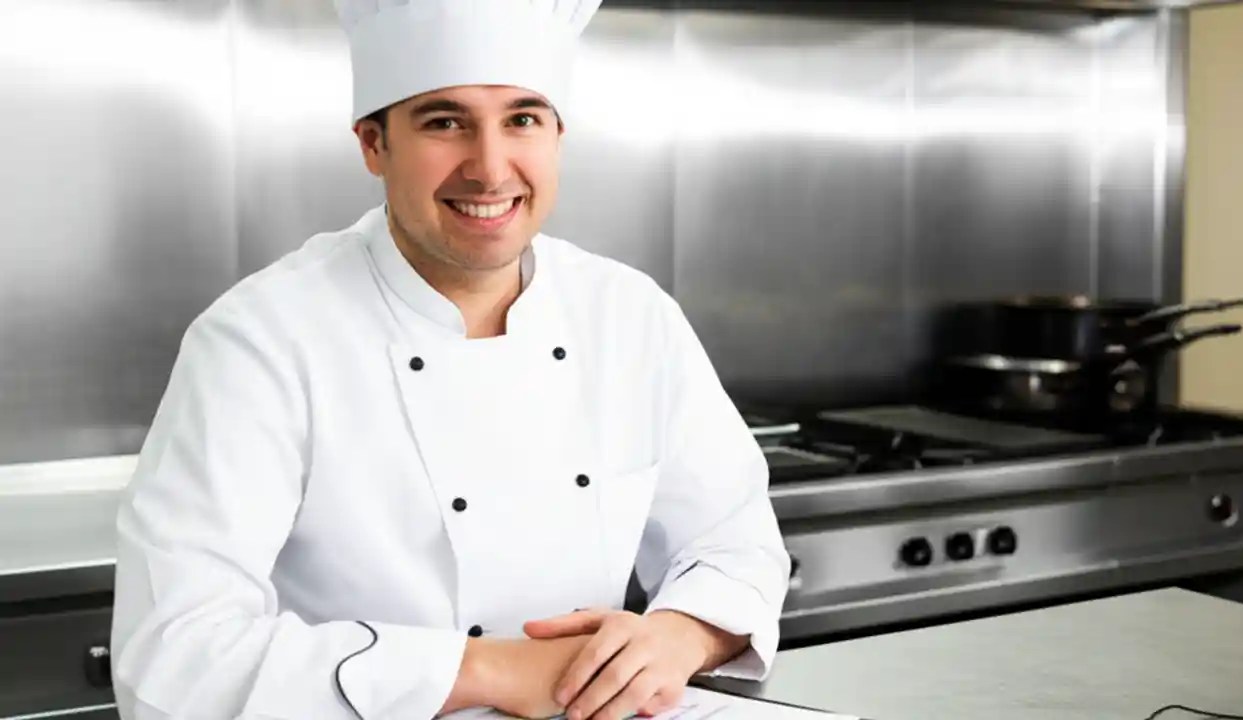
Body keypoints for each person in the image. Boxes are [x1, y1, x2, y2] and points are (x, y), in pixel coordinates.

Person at [109, 1, 789, 718]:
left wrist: (681, 635)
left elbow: (735, 541)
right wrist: (487, 670)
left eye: (522, 119)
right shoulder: (262, 339)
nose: (490, 169)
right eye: (444, 122)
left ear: (558, 136)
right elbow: (175, 655)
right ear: (374, 144)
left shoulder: (629, 316)